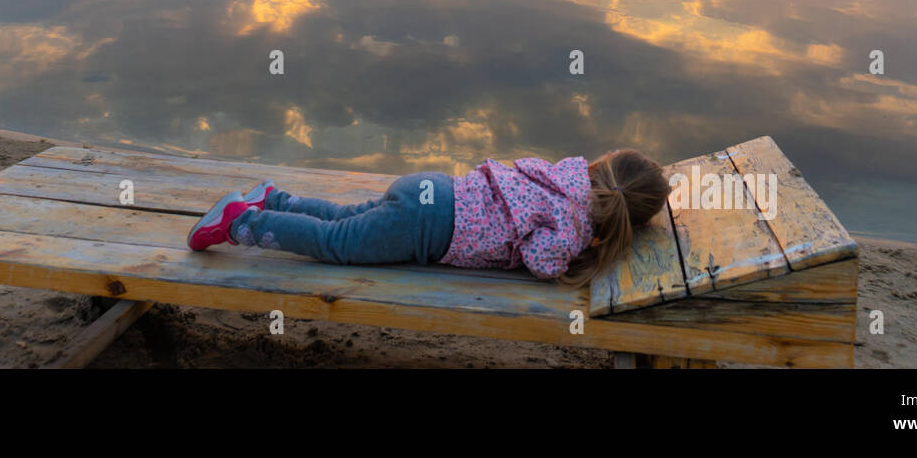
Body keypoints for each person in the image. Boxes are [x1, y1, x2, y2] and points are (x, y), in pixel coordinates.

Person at [187, 149, 670, 286]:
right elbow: (541, 261)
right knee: (336, 246)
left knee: (346, 217)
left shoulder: (565, 173)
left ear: (604, 166)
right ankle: (238, 223)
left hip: (436, 187)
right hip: (427, 229)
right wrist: (575, 256)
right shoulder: (573, 229)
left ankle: (276, 199)